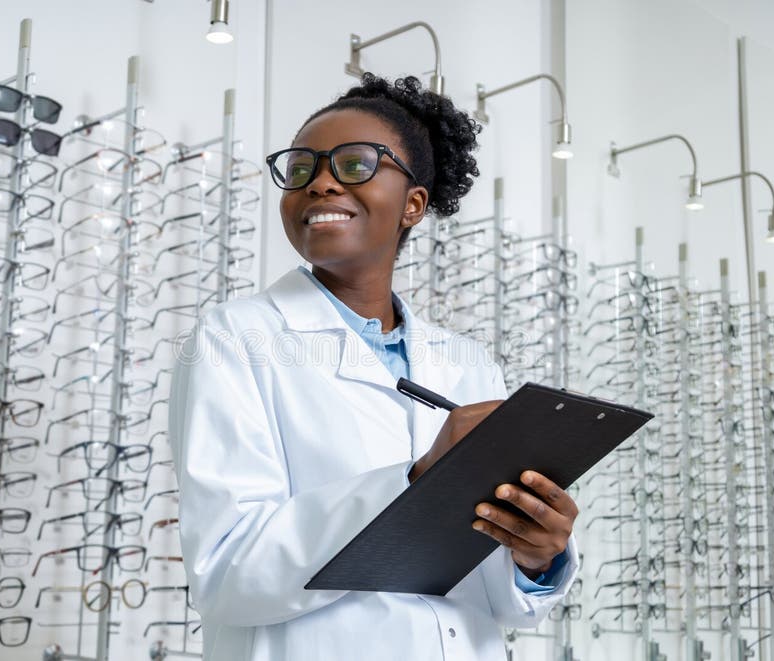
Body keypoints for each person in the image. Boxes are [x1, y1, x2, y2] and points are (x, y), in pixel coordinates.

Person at [168, 74, 579, 661]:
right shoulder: (235, 339)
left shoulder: (468, 365)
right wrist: (416, 482)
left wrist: (535, 554)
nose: (321, 182)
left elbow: (493, 594)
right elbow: (226, 572)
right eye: (302, 168)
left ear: (414, 204)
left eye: (355, 164)